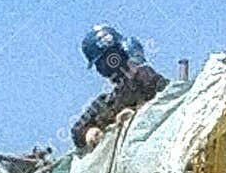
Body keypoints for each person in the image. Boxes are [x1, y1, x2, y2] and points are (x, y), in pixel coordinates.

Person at [71, 24, 168, 152]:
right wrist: (89, 133)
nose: (99, 70)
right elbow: (77, 130)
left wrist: (137, 112)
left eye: (100, 64)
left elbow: (167, 99)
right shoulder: (106, 101)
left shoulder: (143, 76)